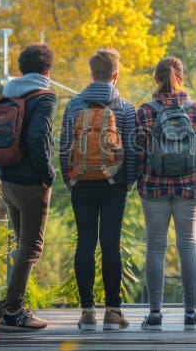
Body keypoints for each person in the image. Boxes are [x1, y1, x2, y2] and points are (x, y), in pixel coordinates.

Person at [60, 48, 137, 331]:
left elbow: (64, 147)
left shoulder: (73, 106)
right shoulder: (125, 107)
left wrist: (71, 181)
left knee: (85, 242)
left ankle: (87, 311)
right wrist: (126, 183)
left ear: (92, 73)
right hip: (113, 184)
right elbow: (132, 149)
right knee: (110, 243)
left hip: (81, 182)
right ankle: (113, 311)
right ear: (115, 75)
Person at [135, 57, 196, 331]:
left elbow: (139, 152)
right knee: (188, 245)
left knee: (155, 247)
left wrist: (141, 181)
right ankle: (191, 314)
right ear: (182, 77)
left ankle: (155, 313)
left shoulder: (144, 111)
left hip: (153, 187)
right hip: (188, 186)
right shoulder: (195, 110)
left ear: (157, 79)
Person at [0, 44, 58, 332]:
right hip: (31, 183)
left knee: (23, 246)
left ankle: (13, 306)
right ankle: (13, 311)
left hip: (7, 179)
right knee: (32, 247)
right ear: (48, 70)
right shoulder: (45, 98)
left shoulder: (8, 93)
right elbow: (37, 139)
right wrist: (48, 174)